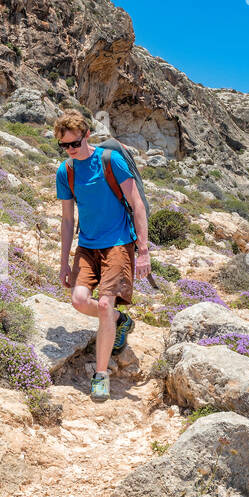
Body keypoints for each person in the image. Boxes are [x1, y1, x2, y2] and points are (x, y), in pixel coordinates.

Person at [55, 110, 151, 400]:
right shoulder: (66, 171)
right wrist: (63, 263)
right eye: (65, 146)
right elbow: (68, 220)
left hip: (118, 243)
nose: (71, 150)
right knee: (79, 301)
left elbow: (136, 204)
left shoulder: (111, 161)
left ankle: (100, 375)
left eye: (75, 143)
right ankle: (120, 320)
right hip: (87, 246)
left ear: (86, 135)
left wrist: (143, 250)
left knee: (106, 304)